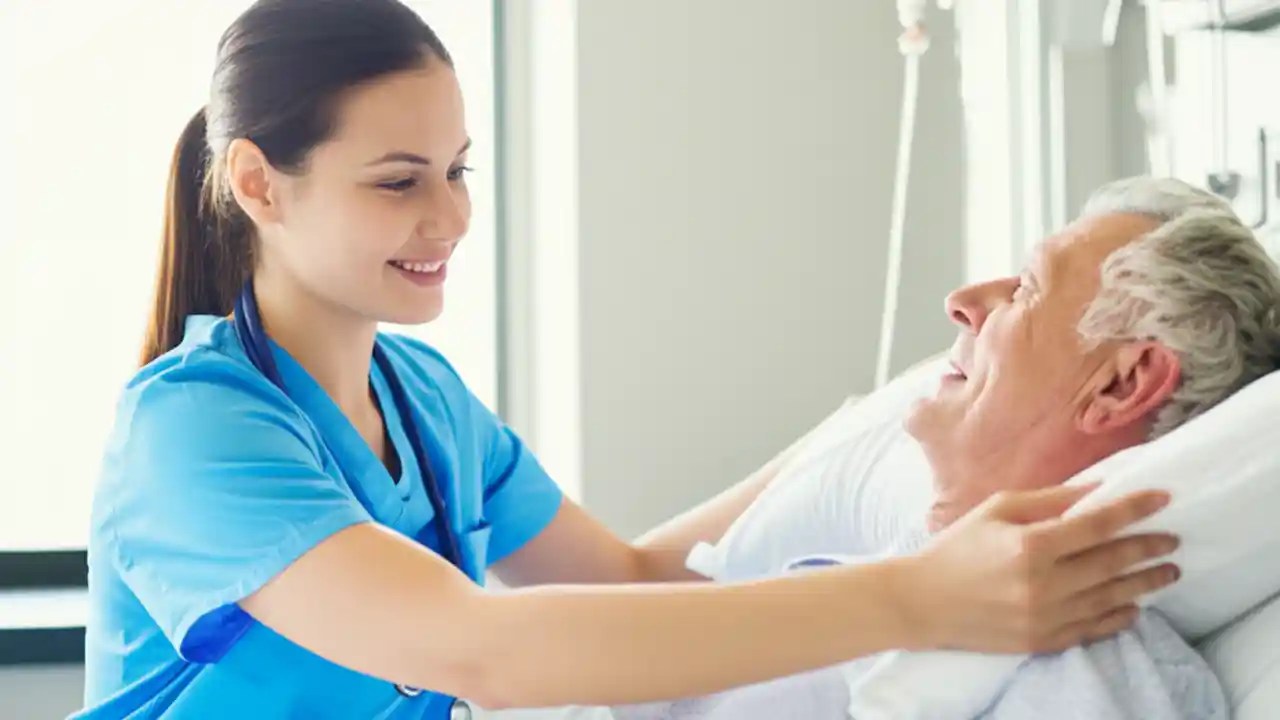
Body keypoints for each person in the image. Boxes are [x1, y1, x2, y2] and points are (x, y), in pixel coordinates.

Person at [76, 2, 1180, 718]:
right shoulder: (193, 429)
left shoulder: (423, 403)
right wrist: (922, 600)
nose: (450, 218)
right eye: (399, 181)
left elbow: (630, 579)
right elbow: (476, 652)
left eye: (459, 171)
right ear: (259, 185)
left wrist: (858, 429)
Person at [615, 177, 1280, 719]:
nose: (961, 303)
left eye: (1027, 290)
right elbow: (619, 585)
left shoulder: (1078, 678)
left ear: (1122, 384)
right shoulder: (880, 585)